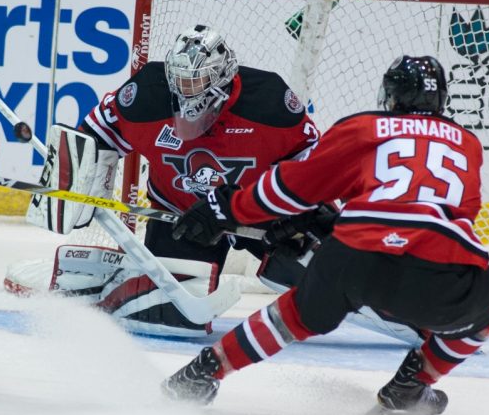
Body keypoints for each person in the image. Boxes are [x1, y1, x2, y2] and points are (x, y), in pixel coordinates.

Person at [164, 55, 489, 415]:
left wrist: (228, 207)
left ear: (391, 96)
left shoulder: (365, 127)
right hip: (438, 268)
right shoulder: (468, 143)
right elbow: (442, 214)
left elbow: (292, 189)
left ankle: (202, 372)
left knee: (294, 315)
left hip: (356, 255)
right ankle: (413, 384)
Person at [19, 23, 322, 337]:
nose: (187, 90)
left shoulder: (269, 101)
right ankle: (116, 283)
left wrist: (302, 208)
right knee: (168, 317)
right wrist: (77, 182)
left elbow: (314, 156)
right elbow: (95, 133)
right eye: (180, 80)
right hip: (183, 217)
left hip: (254, 211)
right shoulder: (146, 94)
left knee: (329, 280)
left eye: (197, 80)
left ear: (223, 76)